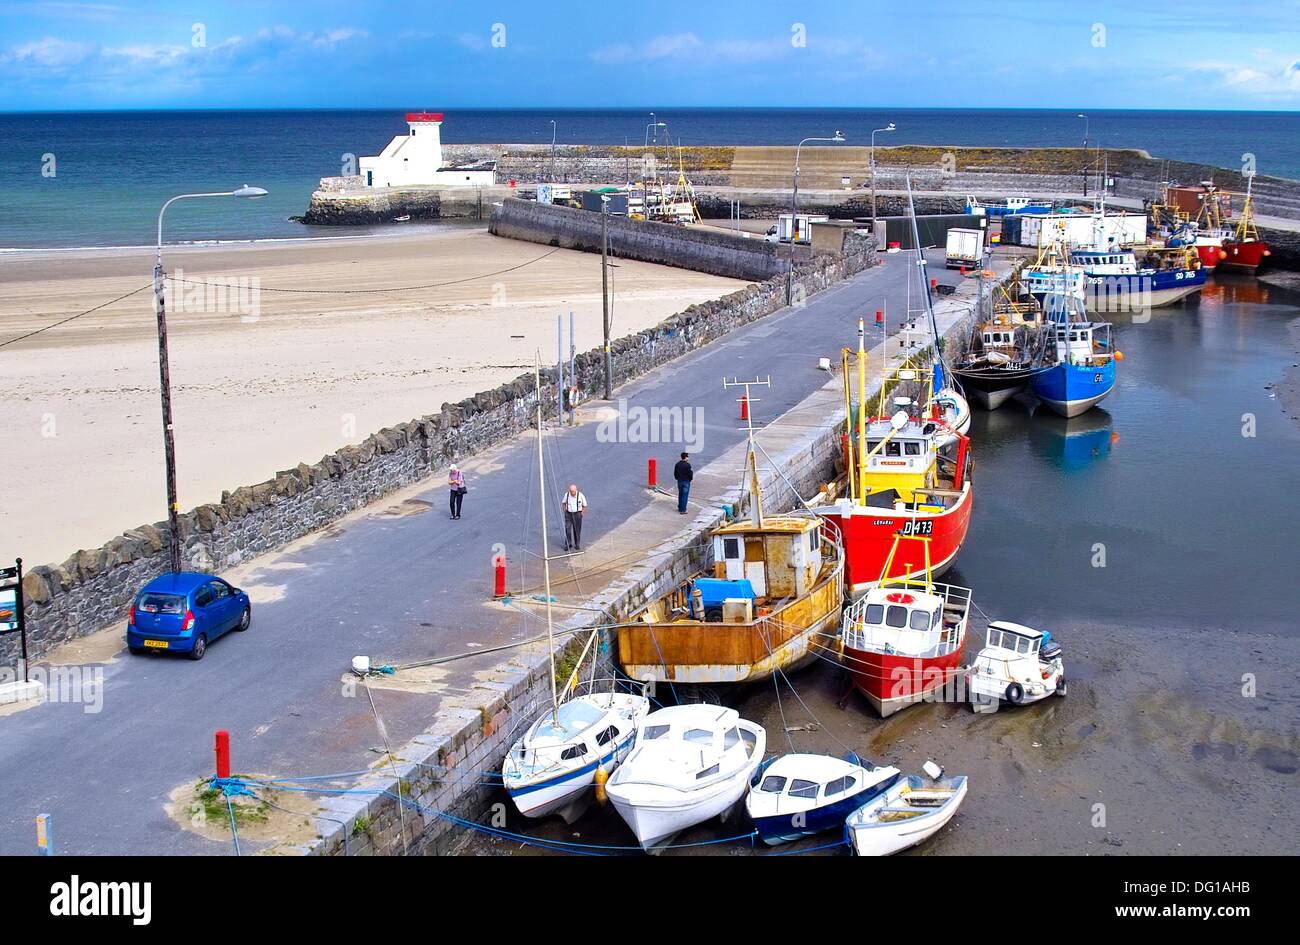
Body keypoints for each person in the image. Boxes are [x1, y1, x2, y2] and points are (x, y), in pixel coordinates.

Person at [561, 483, 587, 551]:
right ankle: (568, 544)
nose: (572, 493)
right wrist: (565, 511)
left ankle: (577, 544)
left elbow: (585, 506)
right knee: (567, 529)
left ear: (576, 490)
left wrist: (581, 514)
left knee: (577, 530)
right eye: (571, 491)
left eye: (573, 491)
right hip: (568, 514)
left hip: (577, 514)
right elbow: (563, 503)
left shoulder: (581, 496)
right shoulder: (566, 495)